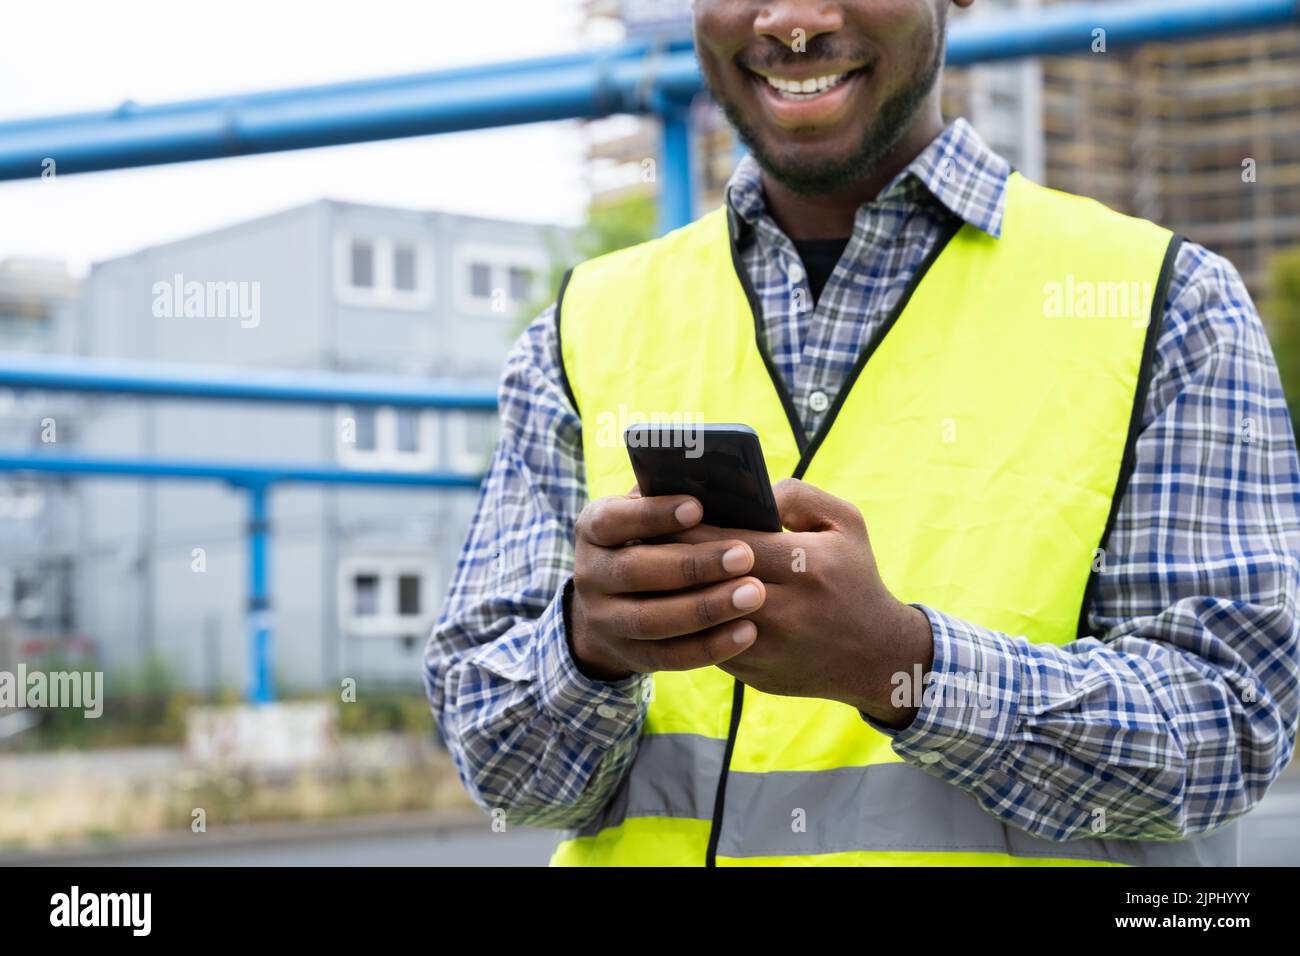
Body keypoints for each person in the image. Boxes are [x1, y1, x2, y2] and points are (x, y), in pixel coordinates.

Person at [425, 0, 1300, 866]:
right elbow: (506, 776)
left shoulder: (1165, 305)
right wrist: (589, 649)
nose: (794, 21)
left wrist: (907, 669)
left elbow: (1230, 730)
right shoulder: (581, 329)